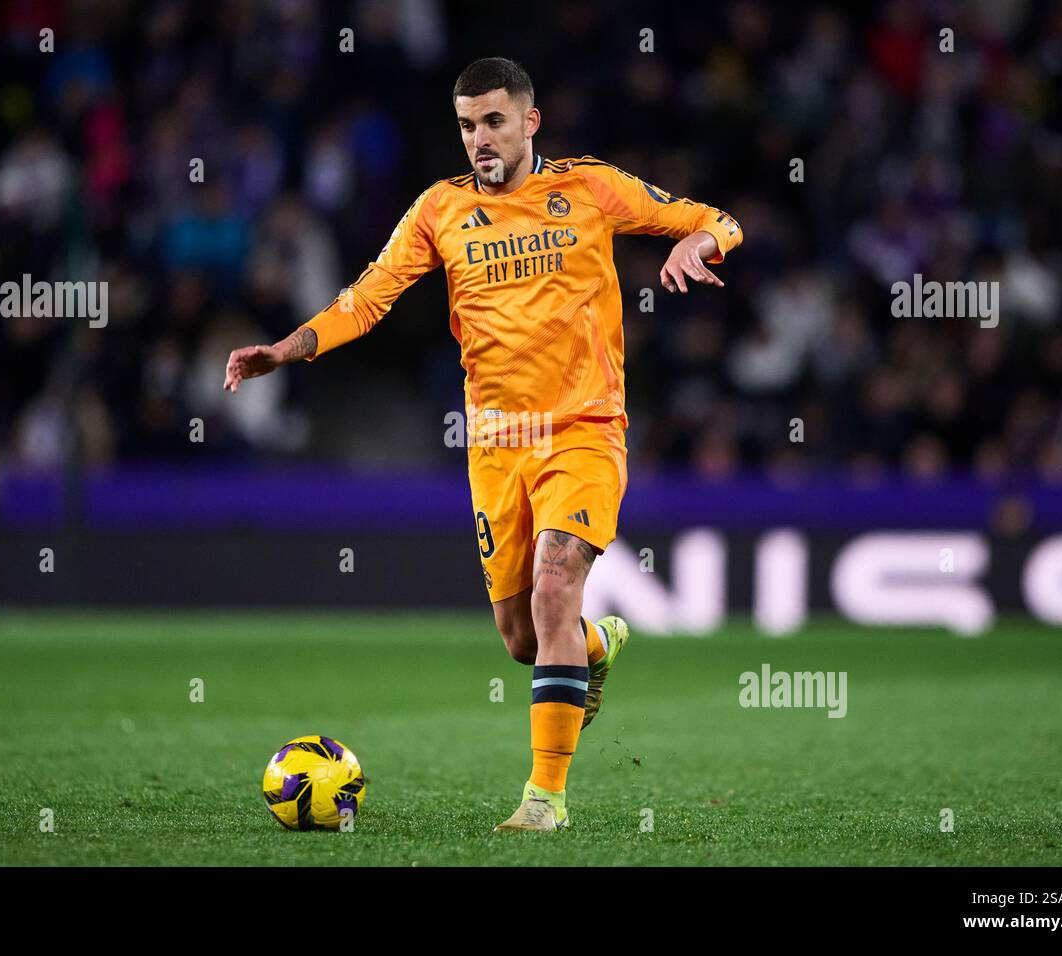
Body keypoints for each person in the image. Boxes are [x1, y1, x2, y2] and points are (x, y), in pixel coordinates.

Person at [225, 57, 742, 831]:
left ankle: (545, 801)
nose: (480, 139)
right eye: (467, 125)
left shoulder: (590, 186)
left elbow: (719, 218)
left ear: (530, 121)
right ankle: (594, 646)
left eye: (494, 121)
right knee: (524, 639)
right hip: (497, 444)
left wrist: (697, 246)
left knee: (557, 581)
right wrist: (285, 350)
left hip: (584, 428)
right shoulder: (439, 210)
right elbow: (365, 300)